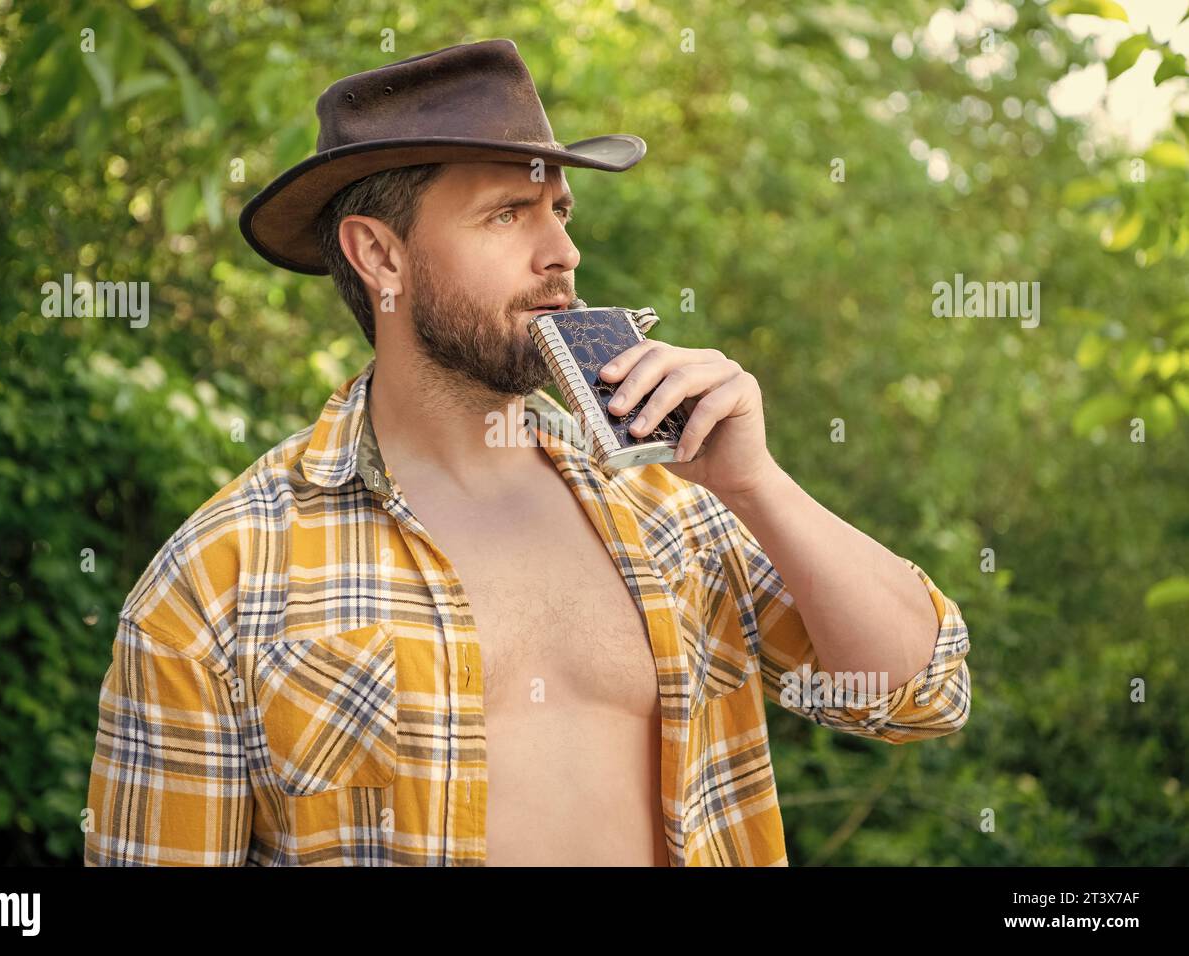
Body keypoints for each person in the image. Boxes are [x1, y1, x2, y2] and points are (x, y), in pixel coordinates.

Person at [84, 37, 971, 867]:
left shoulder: (670, 505)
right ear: (379, 256)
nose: (564, 252)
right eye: (508, 214)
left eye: (559, 210)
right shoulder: (214, 584)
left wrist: (756, 483)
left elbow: (918, 695)